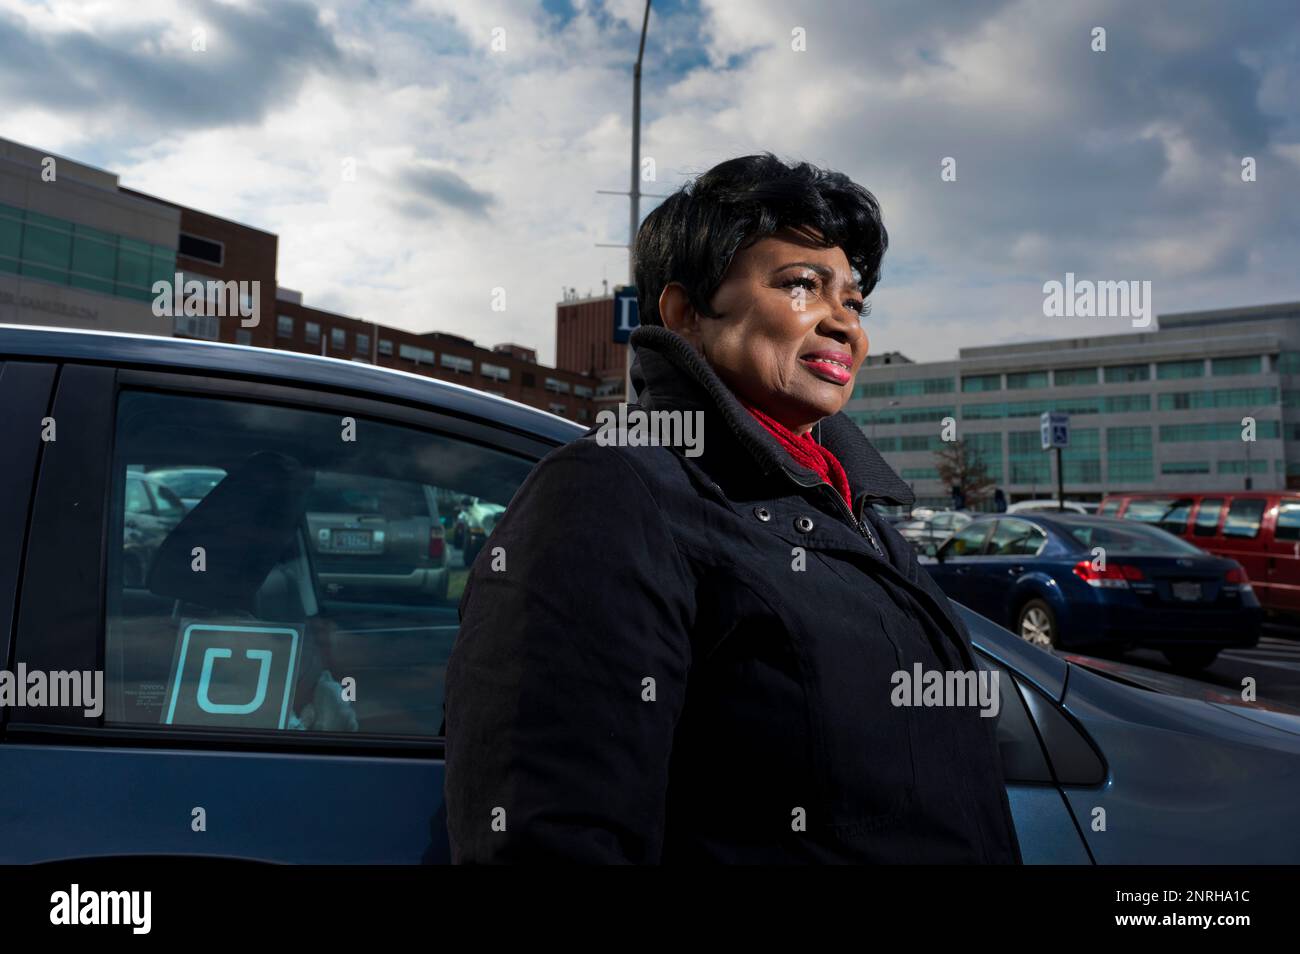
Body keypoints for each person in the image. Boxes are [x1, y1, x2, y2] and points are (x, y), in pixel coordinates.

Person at [444, 153, 1021, 864]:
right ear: (685, 314)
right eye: (802, 285)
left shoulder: (857, 511)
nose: (845, 324)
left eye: (854, 301)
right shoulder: (610, 493)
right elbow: (550, 841)